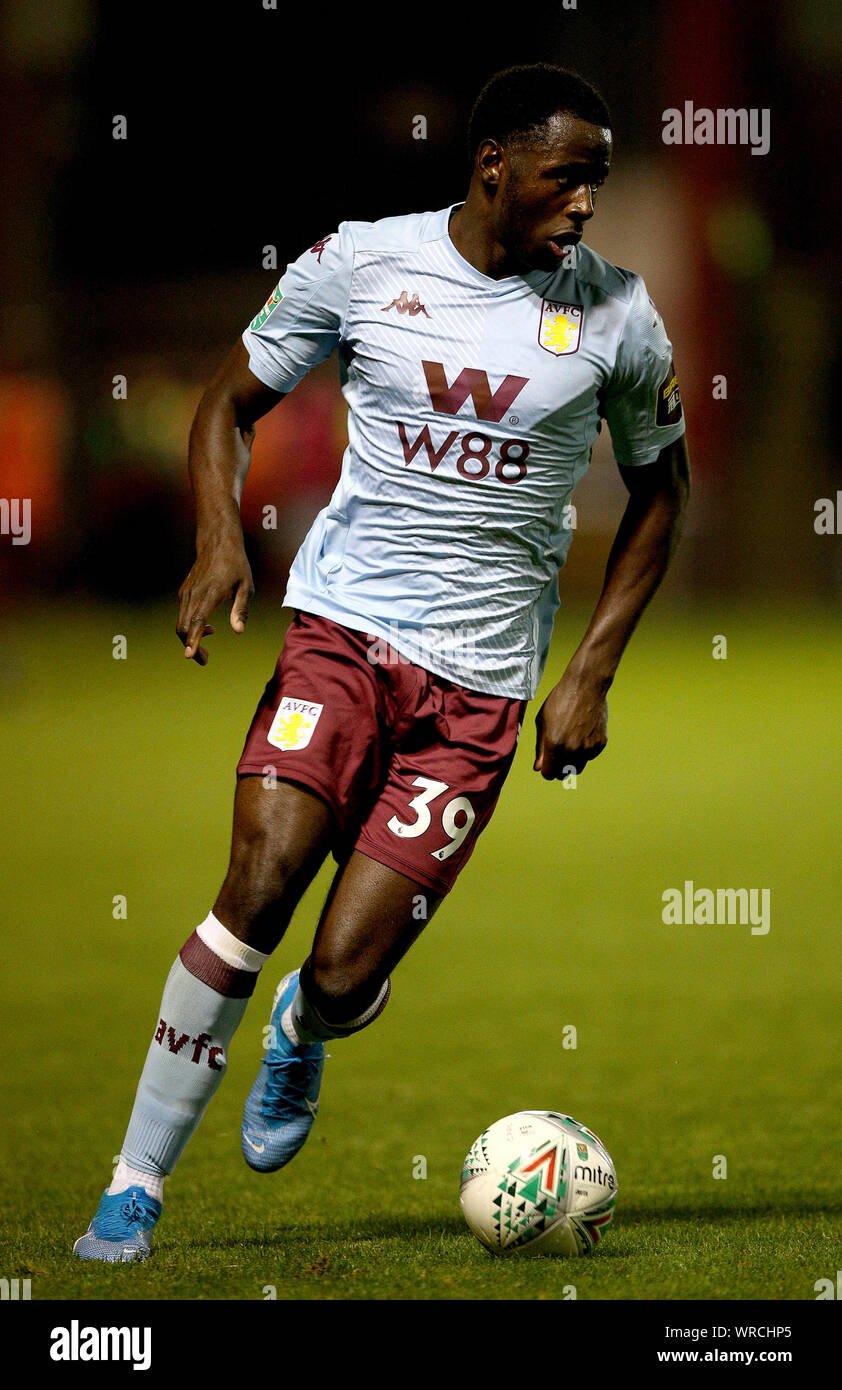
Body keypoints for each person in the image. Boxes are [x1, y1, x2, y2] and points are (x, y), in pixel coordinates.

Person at [74, 62, 689, 1262]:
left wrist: (591, 671)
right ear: (492, 166)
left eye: (597, 187)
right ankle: (135, 1179)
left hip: (479, 691)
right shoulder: (360, 262)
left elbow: (663, 489)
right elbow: (225, 403)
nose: (582, 208)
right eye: (567, 180)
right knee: (255, 886)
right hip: (342, 635)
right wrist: (218, 542)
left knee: (345, 969)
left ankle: (314, 1017)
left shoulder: (618, 314)